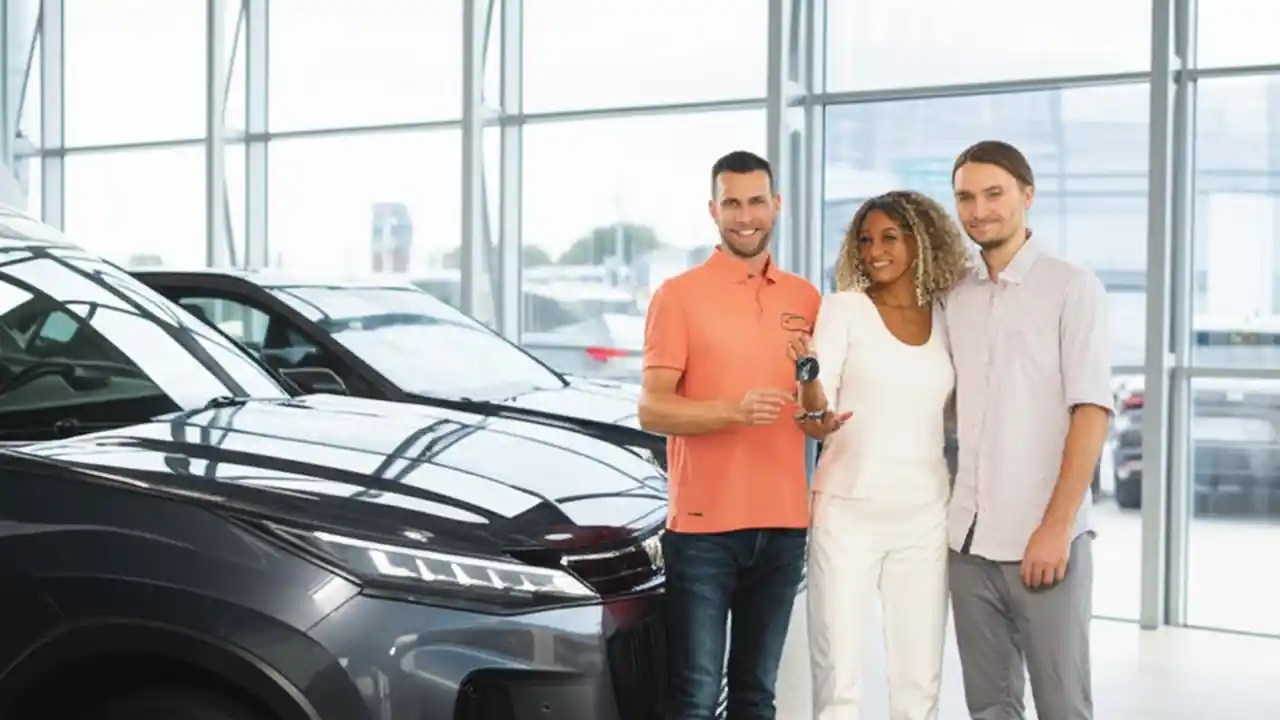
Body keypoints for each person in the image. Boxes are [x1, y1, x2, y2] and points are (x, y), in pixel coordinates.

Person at [638, 149, 820, 719]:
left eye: (757, 201)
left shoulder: (805, 298)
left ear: (777, 205)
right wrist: (733, 411)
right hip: (703, 532)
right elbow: (652, 410)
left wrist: (823, 418)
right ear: (713, 210)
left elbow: (813, 410)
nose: (746, 216)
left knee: (755, 697)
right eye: (732, 203)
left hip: (785, 527)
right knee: (693, 698)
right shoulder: (679, 294)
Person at [945, 139, 1112, 720]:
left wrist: (1057, 526)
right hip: (966, 542)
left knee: (1063, 705)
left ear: (1027, 195)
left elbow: (1091, 410)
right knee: (989, 707)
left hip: (1044, 540)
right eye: (966, 197)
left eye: (994, 193)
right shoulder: (955, 294)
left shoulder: (1071, 286)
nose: (979, 209)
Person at [790, 190, 970, 719]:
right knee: (839, 679)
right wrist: (809, 388)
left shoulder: (945, 315)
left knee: (920, 680)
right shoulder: (844, 308)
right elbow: (816, 413)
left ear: (920, 240)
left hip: (924, 516)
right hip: (848, 514)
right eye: (865, 239)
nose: (874, 250)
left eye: (890, 237)